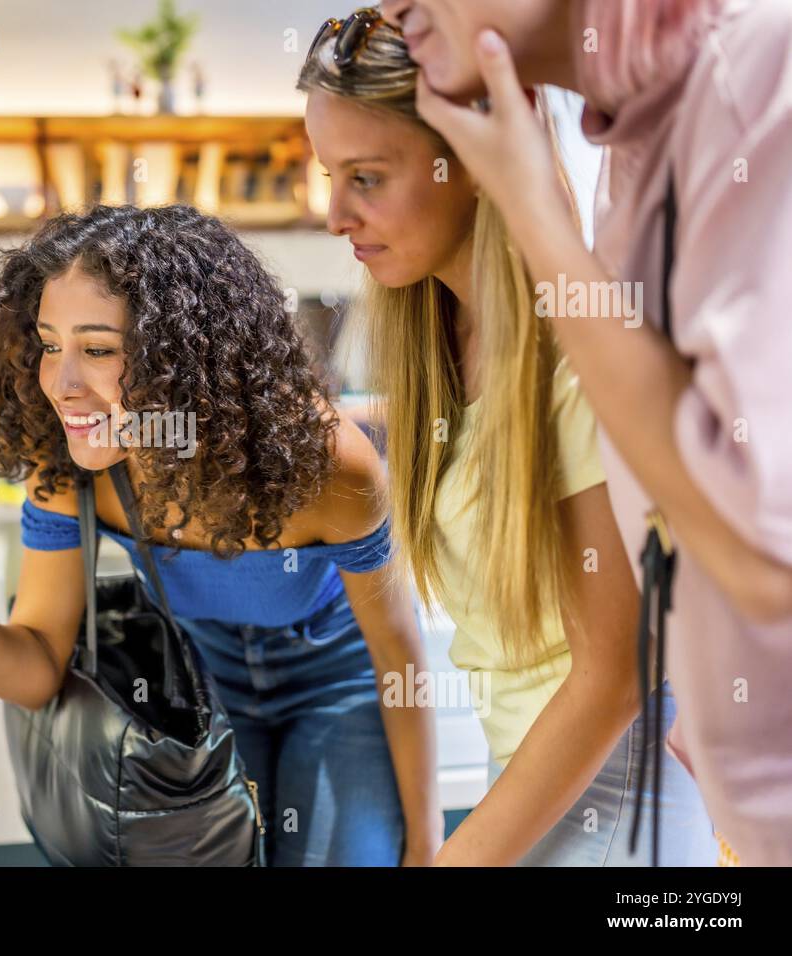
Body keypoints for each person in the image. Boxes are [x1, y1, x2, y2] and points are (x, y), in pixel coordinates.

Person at [0, 203, 441, 866]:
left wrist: (427, 847)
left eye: (98, 349)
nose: (62, 383)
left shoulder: (328, 465)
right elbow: (39, 670)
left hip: (336, 684)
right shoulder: (68, 470)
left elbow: (399, 654)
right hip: (199, 680)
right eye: (51, 345)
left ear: (191, 359)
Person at [298, 11, 716, 864]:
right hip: (531, 798)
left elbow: (611, 676)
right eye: (329, 176)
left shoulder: (576, 352)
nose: (336, 214)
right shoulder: (443, 349)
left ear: (476, 160)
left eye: (367, 178)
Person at [383, 0, 792, 866]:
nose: (391, 10)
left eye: (367, 176)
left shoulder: (753, 79)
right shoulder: (632, 159)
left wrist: (530, 211)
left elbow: (760, 546)